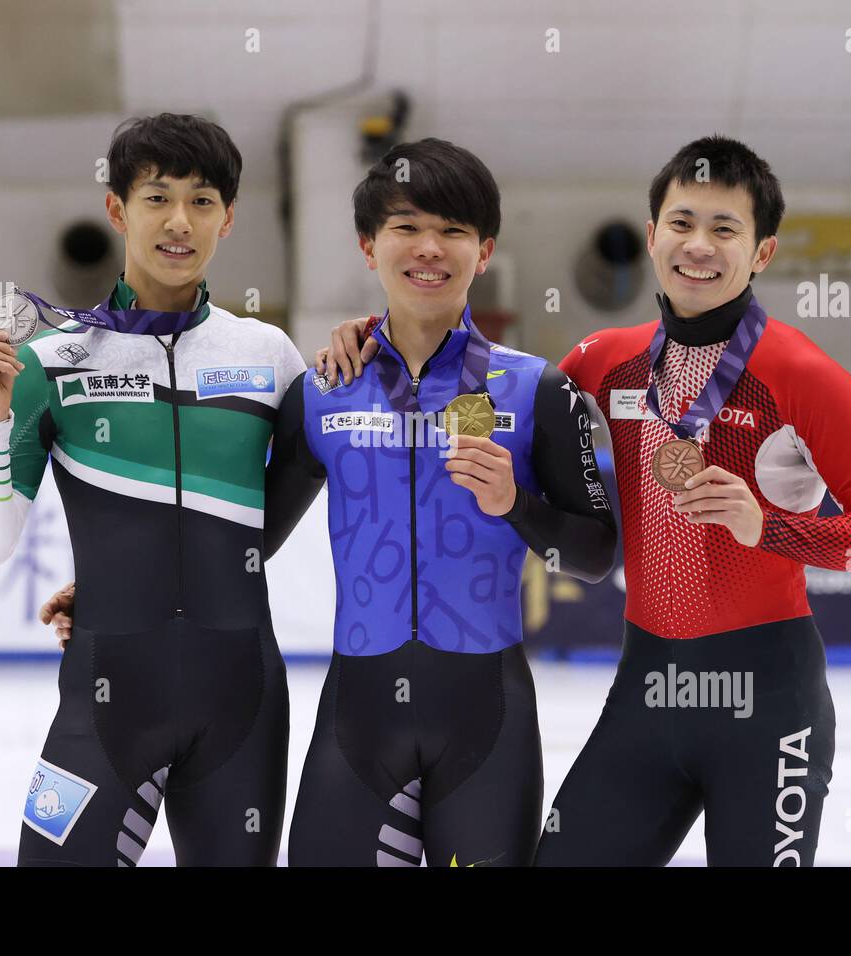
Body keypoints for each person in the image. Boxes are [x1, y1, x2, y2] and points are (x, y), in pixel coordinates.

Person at [315, 135, 851, 866]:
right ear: (653, 234)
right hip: (650, 688)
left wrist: (772, 526)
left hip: (768, 699)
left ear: (761, 253)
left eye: (725, 229)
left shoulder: (804, 376)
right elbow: (481, 377)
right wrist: (370, 335)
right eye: (682, 222)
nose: (699, 245)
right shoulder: (604, 360)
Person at [48, 138, 618, 866]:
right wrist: (129, 582)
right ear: (367, 243)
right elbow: (249, 536)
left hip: (488, 721)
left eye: (453, 231)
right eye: (406, 227)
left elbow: (597, 557)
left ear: (486, 248)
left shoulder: (538, 390)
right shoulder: (323, 389)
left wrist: (517, 506)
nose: (428, 249)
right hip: (358, 720)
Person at [0, 113, 310, 867]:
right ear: (118, 210)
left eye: (202, 200)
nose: (179, 222)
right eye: (157, 197)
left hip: (242, 704)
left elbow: (270, 512)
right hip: (104, 704)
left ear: (229, 217)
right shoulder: (50, 362)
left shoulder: (269, 356)